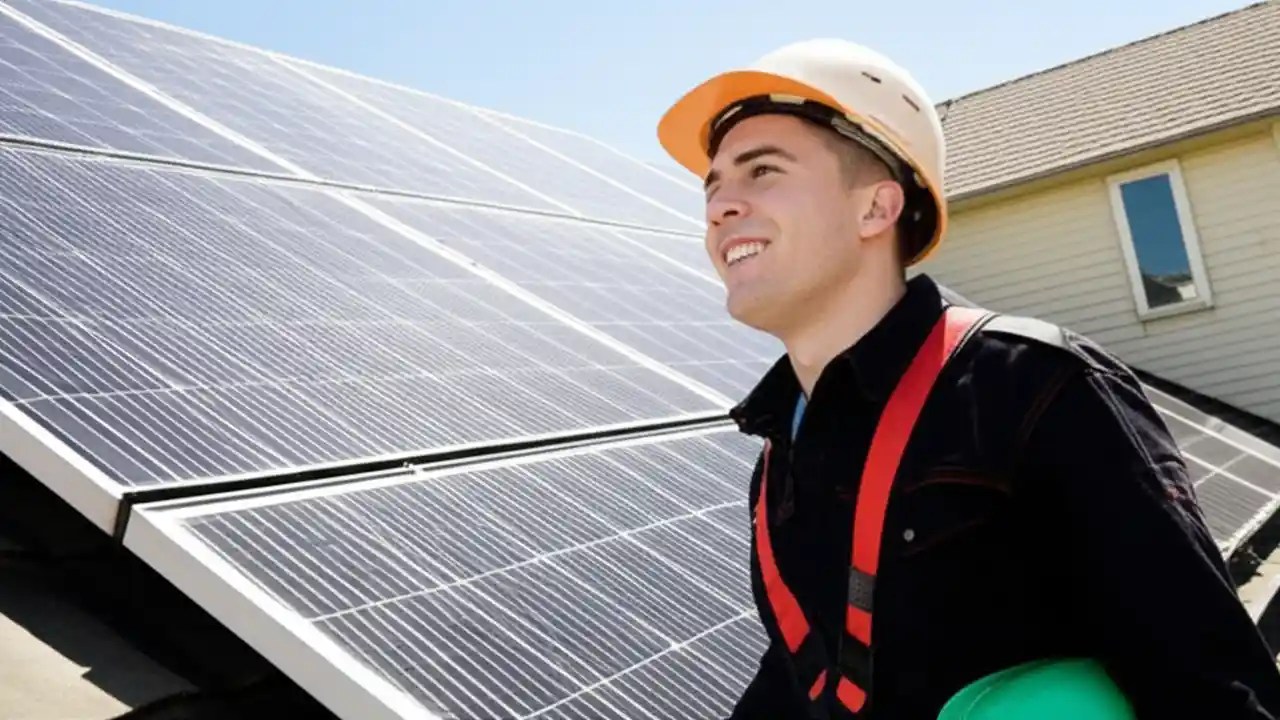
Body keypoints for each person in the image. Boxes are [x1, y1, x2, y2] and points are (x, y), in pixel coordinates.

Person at [655, 38, 1280, 719]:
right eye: (714, 186)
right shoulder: (780, 453)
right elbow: (800, 680)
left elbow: (1215, 688)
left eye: (762, 171)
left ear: (876, 209)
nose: (719, 206)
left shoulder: (1033, 390)